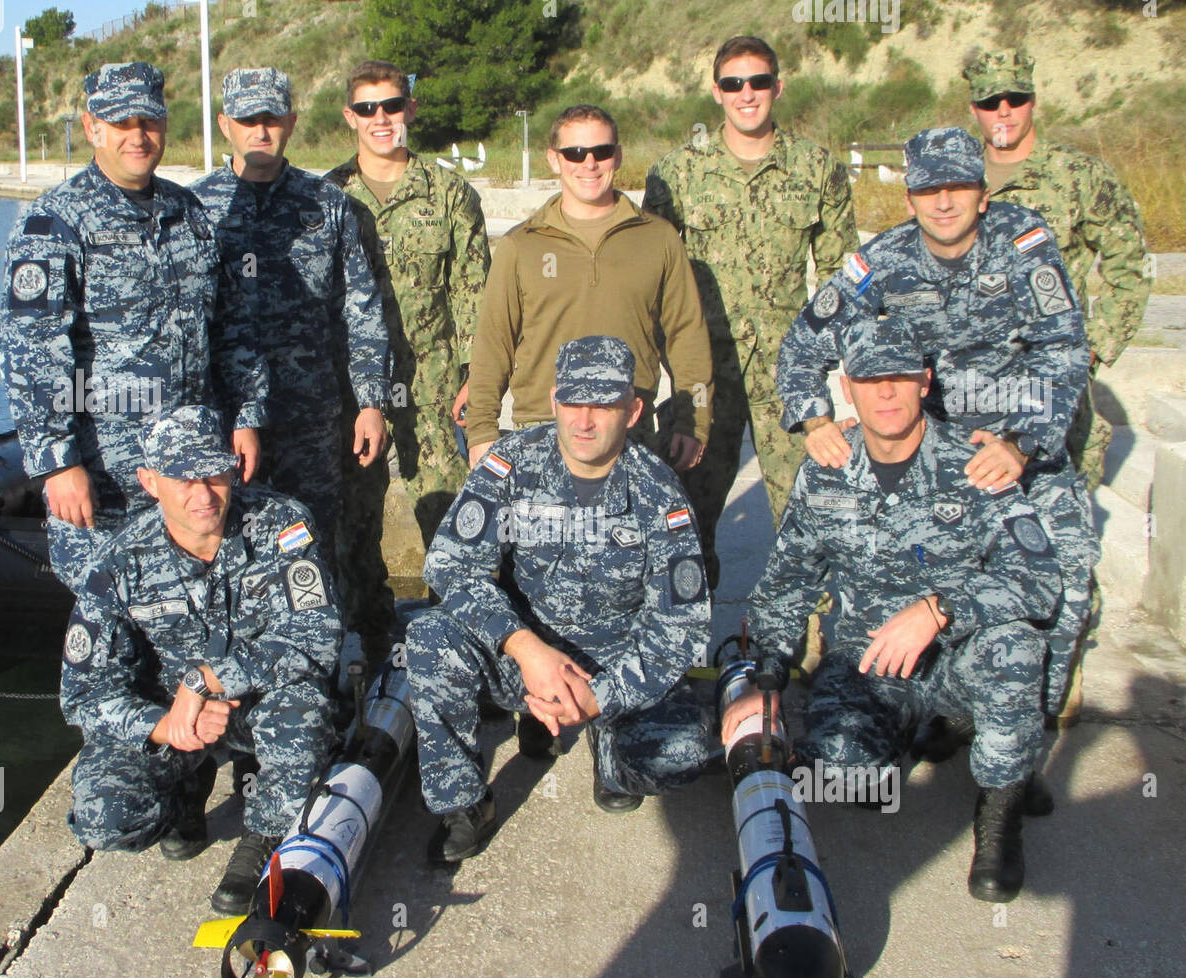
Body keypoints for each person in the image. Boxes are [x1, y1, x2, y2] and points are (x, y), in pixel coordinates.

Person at [724, 317, 1061, 901]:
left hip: (955, 658)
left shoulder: (976, 464)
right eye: (870, 378)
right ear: (847, 388)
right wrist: (769, 674)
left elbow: (1039, 580)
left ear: (924, 382)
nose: (885, 392)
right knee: (841, 776)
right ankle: (917, 733)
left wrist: (939, 610)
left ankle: (999, 820)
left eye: (900, 377)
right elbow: (789, 580)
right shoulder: (827, 474)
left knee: (1016, 649)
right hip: (868, 663)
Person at [775, 127, 1096, 728]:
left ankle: (1020, 747)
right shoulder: (883, 261)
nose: (943, 202)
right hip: (934, 456)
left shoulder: (1024, 244)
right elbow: (802, 344)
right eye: (928, 190)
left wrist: (1023, 443)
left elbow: (1065, 349)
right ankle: (934, 710)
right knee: (922, 580)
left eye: (958, 187)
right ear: (909, 198)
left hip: (1018, 446)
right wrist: (815, 418)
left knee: (1068, 579)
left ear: (982, 193)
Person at [407, 337, 711, 864]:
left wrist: (601, 698)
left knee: (682, 752)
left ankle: (607, 741)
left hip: (612, 664)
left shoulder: (658, 492)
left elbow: (679, 626)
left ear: (633, 410)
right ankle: (464, 803)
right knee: (429, 638)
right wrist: (526, 649)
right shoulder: (512, 463)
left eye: (604, 405)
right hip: (523, 657)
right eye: (573, 402)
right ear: (553, 401)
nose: (585, 421)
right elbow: (451, 565)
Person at [60, 406, 343, 914]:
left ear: (232, 467)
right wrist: (166, 725)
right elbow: (83, 693)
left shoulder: (283, 525)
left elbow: (317, 633)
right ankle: (182, 792)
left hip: (258, 703)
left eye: (214, 474)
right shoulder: (119, 563)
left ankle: (263, 835)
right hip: (176, 717)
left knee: (305, 715)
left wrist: (211, 678)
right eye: (182, 479)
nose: (203, 494)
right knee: (105, 813)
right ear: (150, 481)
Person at [0, 62, 261, 592]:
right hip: (108, 474)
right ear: (93, 127)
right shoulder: (55, 222)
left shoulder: (187, 212)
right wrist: (57, 463)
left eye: (149, 122)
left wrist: (247, 414)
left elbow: (230, 327)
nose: (138, 136)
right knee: (111, 626)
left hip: (191, 471)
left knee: (195, 613)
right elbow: (30, 350)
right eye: (122, 124)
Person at [191, 67, 391, 662]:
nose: (260, 129)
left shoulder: (327, 206)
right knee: (228, 551)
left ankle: (315, 684)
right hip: (221, 423)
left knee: (312, 549)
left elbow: (361, 311)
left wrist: (373, 401)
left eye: (271, 118)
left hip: (310, 418)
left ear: (292, 124)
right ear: (225, 124)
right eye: (247, 119)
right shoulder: (194, 208)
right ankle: (237, 686)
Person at [643, 34, 857, 587]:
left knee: (806, 514)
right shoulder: (677, 174)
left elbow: (840, 276)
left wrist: (840, 362)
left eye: (759, 82)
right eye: (734, 83)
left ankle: (804, 653)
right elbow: (654, 275)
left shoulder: (817, 169)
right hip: (702, 374)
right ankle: (687, 648)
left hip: (788, 374)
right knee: (686, 519)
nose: (747, 94)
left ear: (778, 87)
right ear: (717, 92)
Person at [464, 106, 712, 476]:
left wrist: (695, 420)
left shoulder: (658, 239)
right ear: (554, 159)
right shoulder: (522, 245)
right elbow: (493, 344)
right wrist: (481, 429)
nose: (589, 163)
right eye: (575, 153)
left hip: (628, 428)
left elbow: (686, 336)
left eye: (602, 151)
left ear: (618, 155)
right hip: (541, 429)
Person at [327, 59, 491, 606]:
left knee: (449, 516)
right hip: (352, 388)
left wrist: (478, 380)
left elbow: (473, 296)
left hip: (434, 385)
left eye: (392, 105)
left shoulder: (449, 193)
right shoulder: (328, 197)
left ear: (410, 109)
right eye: (368, 108)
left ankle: (455, 639)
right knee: (354, 520)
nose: (381, 118)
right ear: (351, 116)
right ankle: (368, 644)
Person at [964, 48, 1149, 490]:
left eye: (1015, 98)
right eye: (990, 102)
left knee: (1060, 524)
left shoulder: (1078, 176)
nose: (1003, 111)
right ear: (975, 110)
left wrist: (1095, 345)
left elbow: (1130, 265)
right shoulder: (956, 176)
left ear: (1033, 101)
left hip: (1054, 378)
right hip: (972, 382)